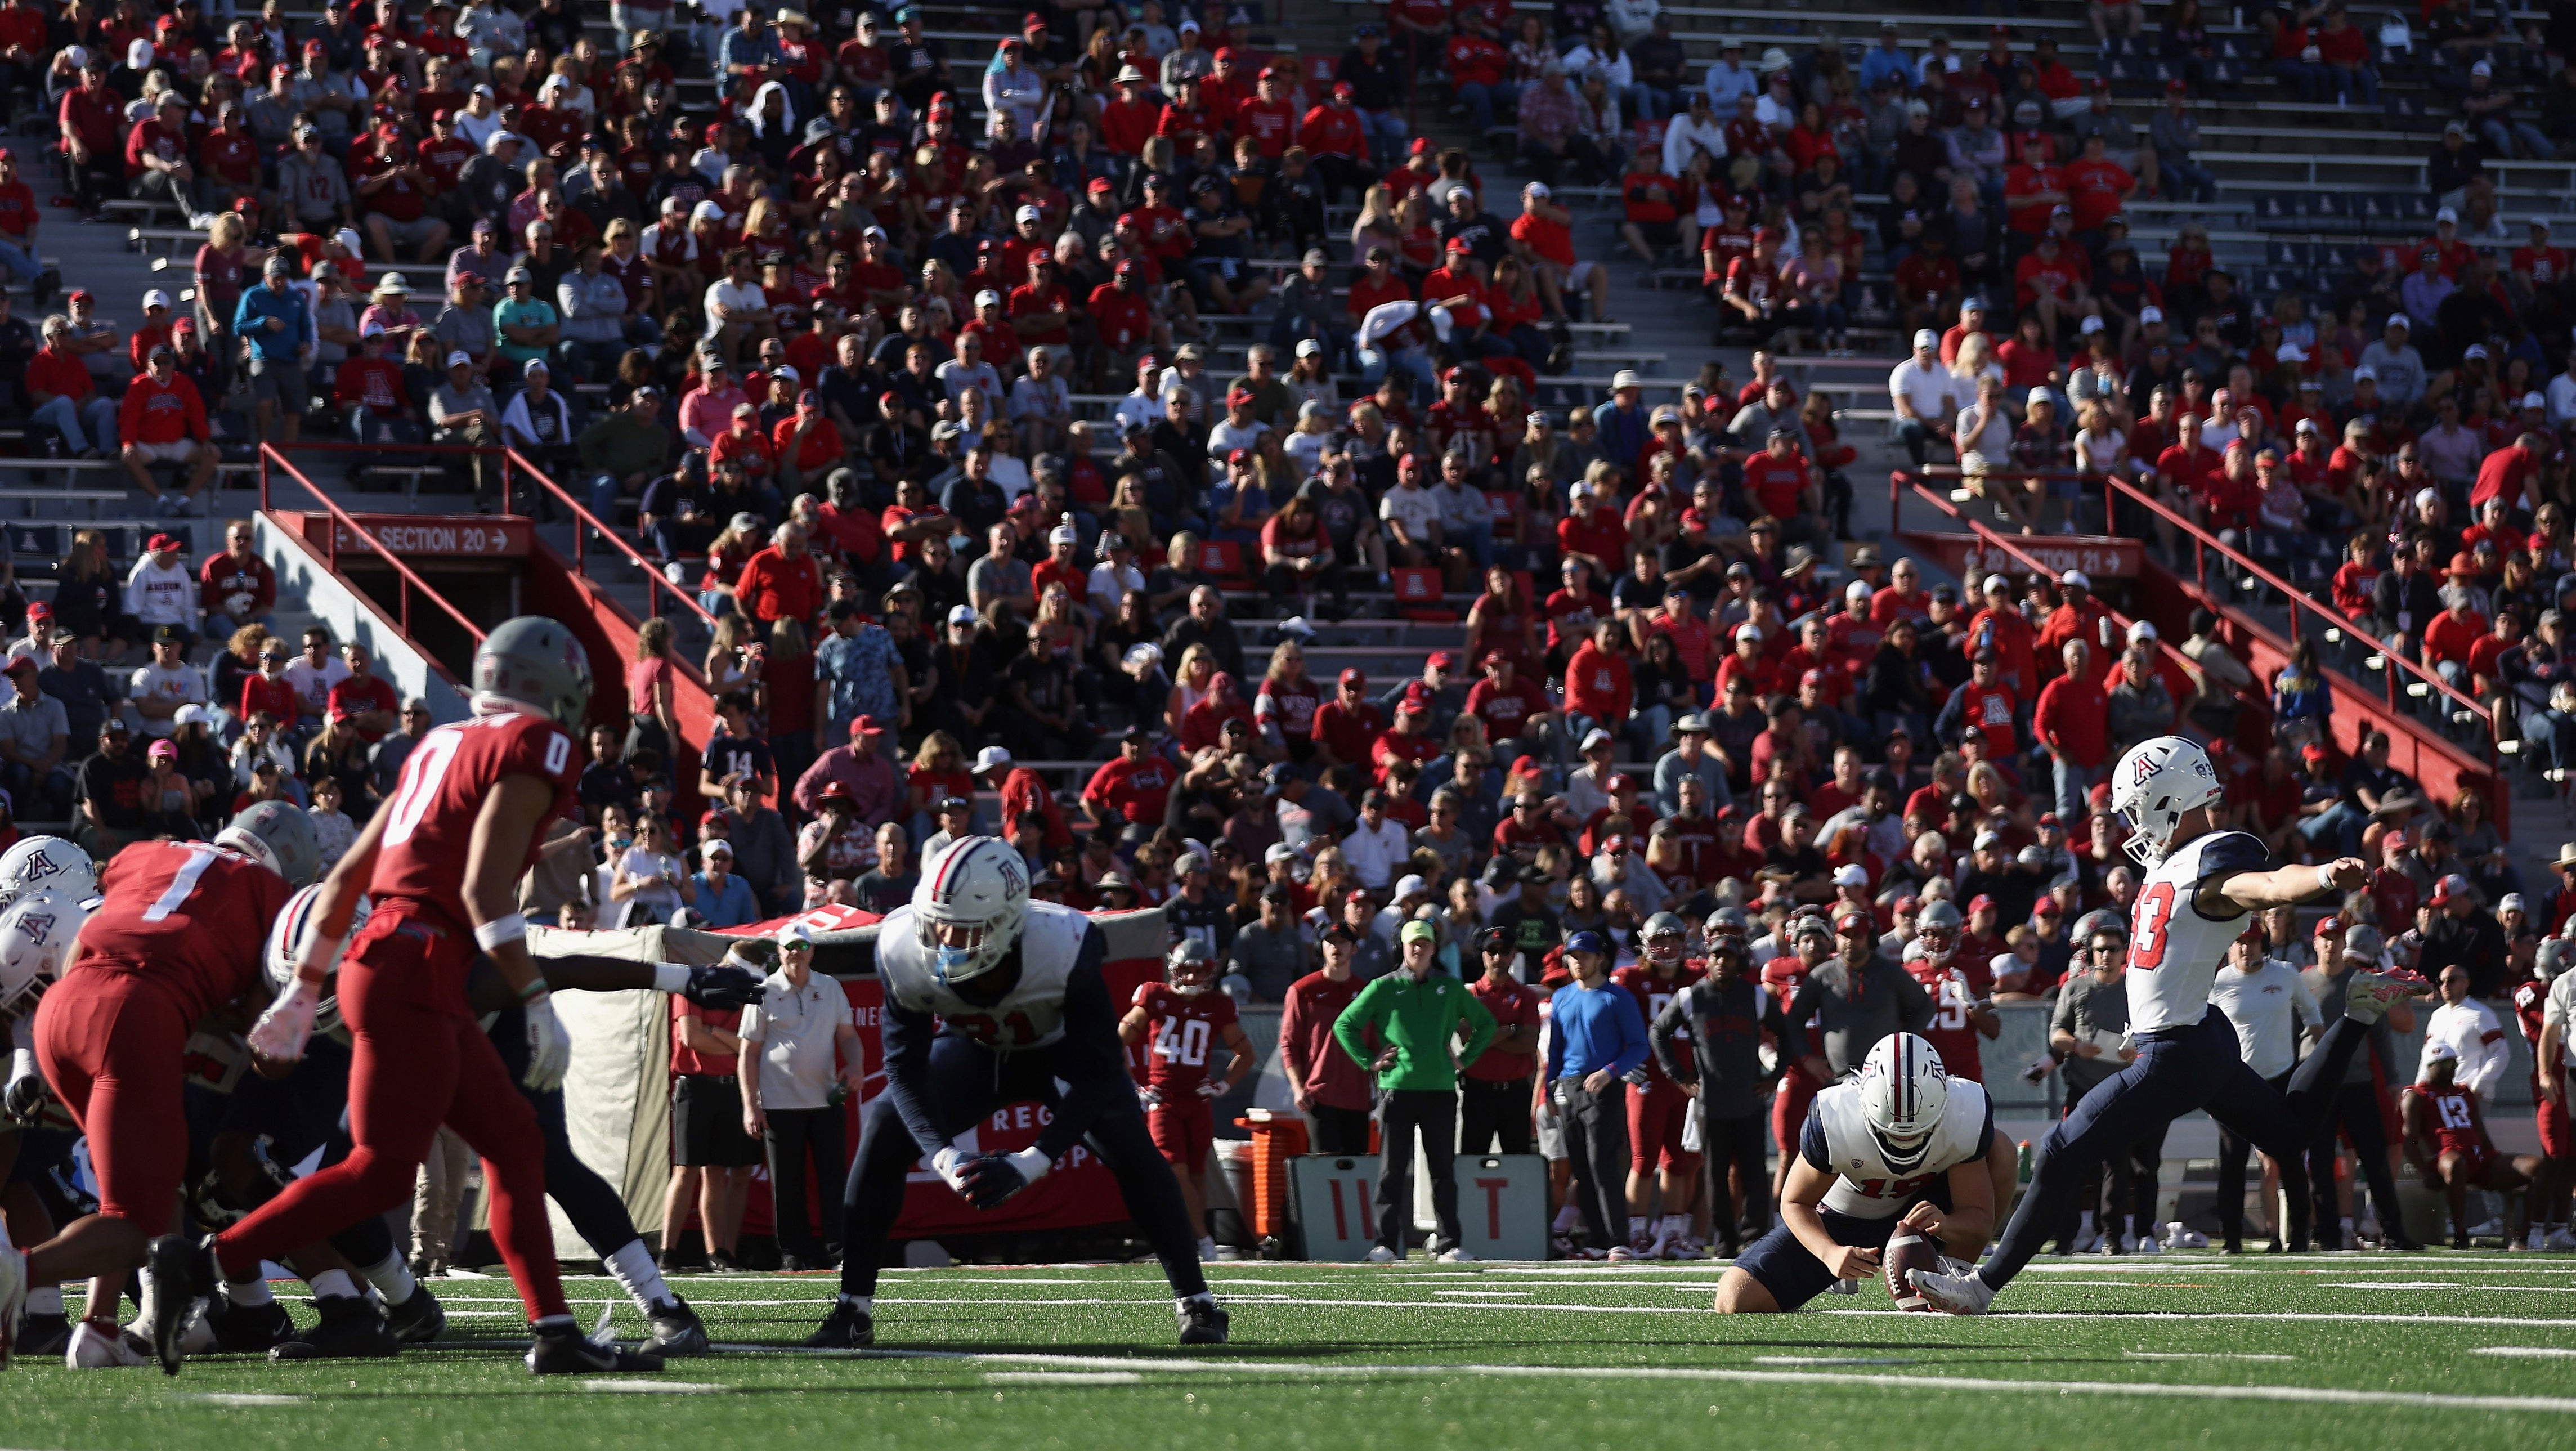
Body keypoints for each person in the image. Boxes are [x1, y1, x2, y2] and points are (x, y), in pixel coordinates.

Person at [174, 618, 664, 1374]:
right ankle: (214, 1258)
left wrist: (305, 987)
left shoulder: (438, 743)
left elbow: (345, 877)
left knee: (515, 1143)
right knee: (380, 1171)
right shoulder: (537, 746)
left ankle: (556, 1332)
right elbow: (482, 890)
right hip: (420, 961)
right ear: (551, 686)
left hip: (382, 957)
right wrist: (534, 997)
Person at [1910, 735, 2435, 1315]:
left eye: (2137, 806)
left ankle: (1980, 1287)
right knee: (2289, 1133)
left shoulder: (2211, 865)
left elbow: (2264, 886)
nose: (2134, 821)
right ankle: (2357, 1012)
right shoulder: (2175, 862)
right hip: (2199, 1035)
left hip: (2177, 1050)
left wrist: (2323, 878)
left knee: (2061, 1151)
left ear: (2165, 799)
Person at [809, 836, 1229, 1348]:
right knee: (882, 1129)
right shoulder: (901, 947)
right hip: (976, 1049)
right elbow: (902, 1067)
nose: (942, 939)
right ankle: (852, 1309)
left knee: (1129, 1144)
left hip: (1059, 1054)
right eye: (935, 923)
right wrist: (941, 1156)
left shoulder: (1065, 945)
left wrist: (1034, 1160)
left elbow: (1099, 1074)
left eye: (960, 929)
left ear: (1006, 924)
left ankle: (1196, 1299)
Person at [8, 806, 312, 1369]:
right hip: (131, 1019)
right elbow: (262, 1028)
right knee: (131, 1219)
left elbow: (107, 923)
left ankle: (105, 1327)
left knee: (152, 1186)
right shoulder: (270, 896)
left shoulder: (147, 852)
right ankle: (15, 1278)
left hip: (59, 1013)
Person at [1714, 1032, 2014, 1313]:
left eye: (1920, 1133)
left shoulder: (1964, 1112)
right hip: (1844, 1218)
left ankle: (1955, 1274)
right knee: (1734, 1298)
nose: (1905, 1144)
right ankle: (1834, 1273)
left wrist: (1947, 1225)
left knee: (2001, 1149)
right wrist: (1829, 1252)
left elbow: (1978, 1217)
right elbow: (1795, 1202)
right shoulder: (1835, 1116)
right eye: (1891, 1134)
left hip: (1923, 1212)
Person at [1334, 917, 1497, 1262]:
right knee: (1391, 1171)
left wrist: (1465, 1059)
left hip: (1440, 1089)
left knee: (1443, 1171)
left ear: (1434, 948)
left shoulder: (1450, 988)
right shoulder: (1383, 987)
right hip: (1398, 1089)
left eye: (1425, 943)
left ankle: (1450, 1243)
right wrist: (1370, 1061)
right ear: (1403, 948)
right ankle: (1385, 1243)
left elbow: (1486, 1023)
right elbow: (1345, 1024)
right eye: (1413, 943)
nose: (1419, 949)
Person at [1118, 941, 1256, 1261]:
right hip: (1163, 1100)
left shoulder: (1218, 1005)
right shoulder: (1155, 995)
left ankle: (1193, 1240)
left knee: (1196, 1175)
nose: (1193, 977)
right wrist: (1134, 1086)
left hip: (1197, 1101)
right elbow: (1117, 1042)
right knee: (1174, 1170)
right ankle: (1204, 1239)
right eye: (1187, 970)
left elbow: (1246, 1054)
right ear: (1174, 970)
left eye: (1199, 971)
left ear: (1209, 972)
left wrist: (1224, 1085)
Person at [740, 923, 866, 1271]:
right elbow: (748, 1053)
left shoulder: (830, 987)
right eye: (789, 946)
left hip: (826, 1100)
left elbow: (849, 1037)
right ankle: (793, 1253)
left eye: (802, 945)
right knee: (787, 1184)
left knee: (833, 1179)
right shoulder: (763, 990)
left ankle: (840, 1249)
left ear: (813, 951)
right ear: (779, 952)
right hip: (779, 1104)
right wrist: (751, 1104)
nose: (796, 951)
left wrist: (855, 1065)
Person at [2208, 925, 2320, 1252]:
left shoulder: (2285, 973)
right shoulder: (2217, 983)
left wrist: (2316, 1061)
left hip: (2280, 1079)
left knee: (2290, 1158)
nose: (2247, 949)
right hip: (2234, 1081)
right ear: (2230, 948)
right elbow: (2203, 1028)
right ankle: (2231, 1238)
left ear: (2264, 944)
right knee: (2232, 1161)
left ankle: (2299, 1236)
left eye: (2253, 942)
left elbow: (2311, 1014)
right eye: (2241, 943)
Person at [1545, 930, 1649, 1260]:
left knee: (1602, 1162)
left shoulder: (1616, 997)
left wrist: (1610, 1072)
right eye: (1573, 957)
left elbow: (1639, 1046)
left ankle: (1619, 1238)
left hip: (1602, 1087)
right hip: (1570, 1087)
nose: (1578, 962)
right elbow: (1556, 1049)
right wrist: (1550, 1087)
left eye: (1584, 956)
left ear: (1600, 958)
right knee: (1580, 1166)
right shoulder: (1561, 997)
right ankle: (1597, 1238)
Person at [2404, 1040, 2539, 1249]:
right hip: (2446, 1158)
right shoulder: (2417, 1096)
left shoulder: (2464, 1093)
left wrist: (2492, 1155)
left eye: (2455, 1064)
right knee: (2457, 1163)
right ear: (2432, 1066)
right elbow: (2409, 1139)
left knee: (2538, 1166)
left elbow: (2480, 1130)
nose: (2454, 1069)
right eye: (2447, 1065)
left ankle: (2526, 1235)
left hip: (2479, 1158)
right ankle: (2460, 1233)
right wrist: (2425, 1173)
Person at [1279, 922, 1376, 1153]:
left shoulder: (1367, 992)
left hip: (1358, 1098)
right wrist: (1298, 1088)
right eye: (1330, 942)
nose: (1336, 947)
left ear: (1354, 948)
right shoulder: (1303, 990)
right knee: (1324, 1171)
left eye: (1343, 942)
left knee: (1358, 1173)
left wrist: (1380, 1091)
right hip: (1319, 1097)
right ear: (1320, 948)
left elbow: (1375, 1046)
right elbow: (1289, 1043)